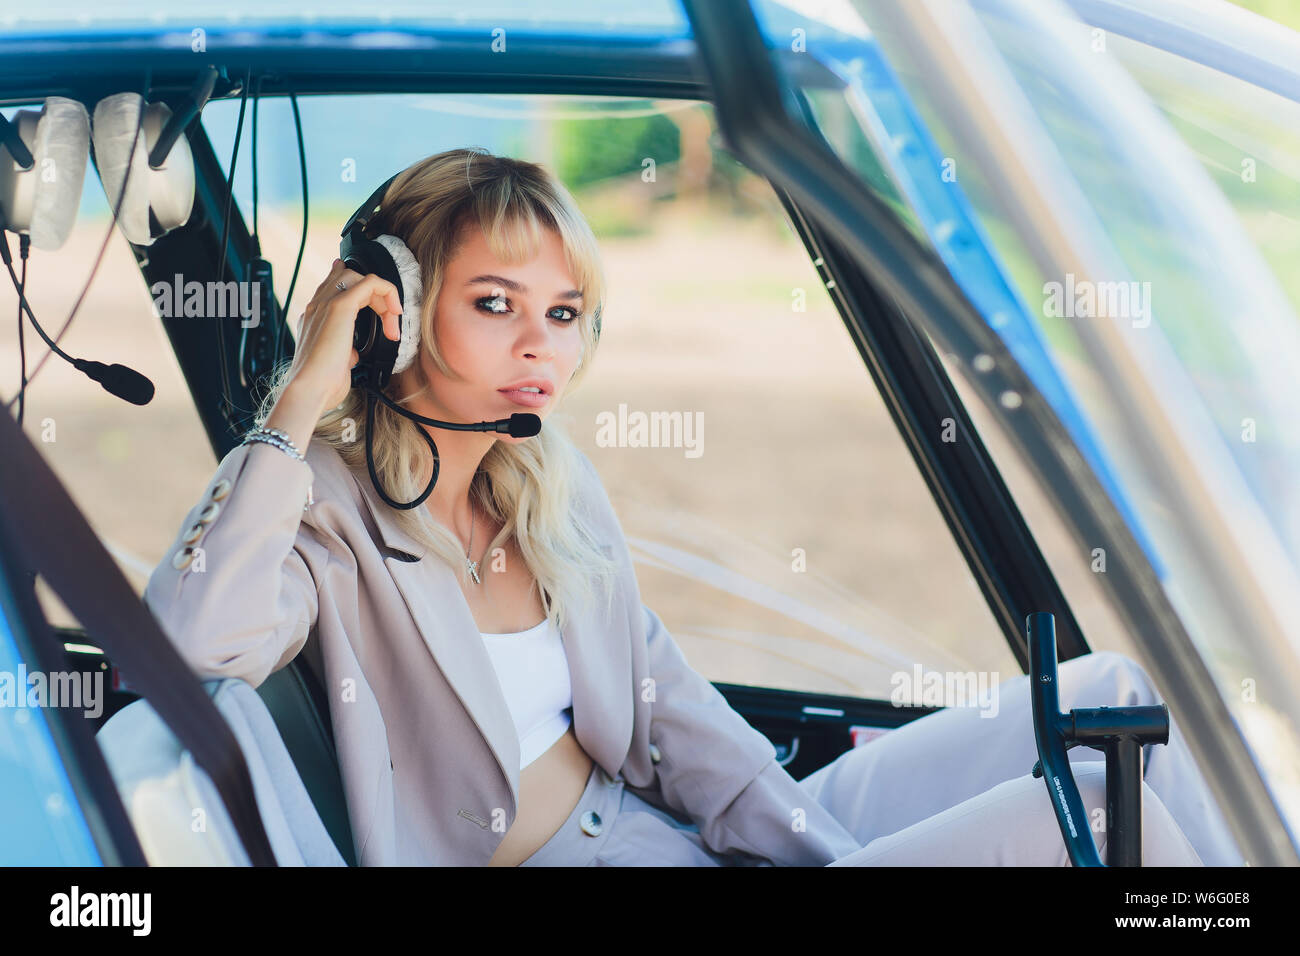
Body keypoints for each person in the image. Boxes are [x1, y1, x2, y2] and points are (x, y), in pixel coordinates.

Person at [143, 147, 1238, 867]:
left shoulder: (545, 483)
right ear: (392, 314)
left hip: (671, 833)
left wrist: (814, 846)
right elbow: (194, 641)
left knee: (1112, 699)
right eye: (493, 304)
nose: (542, 344)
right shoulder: (327, 509)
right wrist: (300, 396)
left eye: (565, 310)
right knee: (1090, 824)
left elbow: (668, 711)